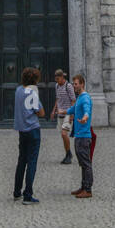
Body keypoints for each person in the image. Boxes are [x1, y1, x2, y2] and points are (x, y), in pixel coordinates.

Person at [13, 66, 45, 203]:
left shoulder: (18, 90)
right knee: (32, 162)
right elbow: (41, 112)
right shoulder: (32, 92)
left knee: (21, 161)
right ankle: (27, 195)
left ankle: (16, 191)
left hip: (22, 131)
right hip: (33, 130)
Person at [66, 72, 94, 199]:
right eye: (73, 84)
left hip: (83, 136)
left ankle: (88, 189)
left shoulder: (85, 98)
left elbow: (87, 109)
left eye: (76, 84)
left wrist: (85, 117)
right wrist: (62, 111)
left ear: (82, 84)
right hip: (79, 135)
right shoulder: (79, 98)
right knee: (82, 163)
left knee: (86, 163)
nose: (74, 86)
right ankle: (83, 187)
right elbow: (74, 109)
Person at [51, 68, 76, 162]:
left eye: (58, 79)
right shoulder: (57, 86)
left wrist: (72, 114)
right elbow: (57, 99)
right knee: (63, 136)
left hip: (68, 113)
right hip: (60, 114)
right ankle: (68, 154)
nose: (56, 81)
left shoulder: (68, 86)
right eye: (56, 79)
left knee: (64, 133)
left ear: (62, 77)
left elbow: (73, 100)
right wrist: (53, 111)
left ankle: (69, 154)